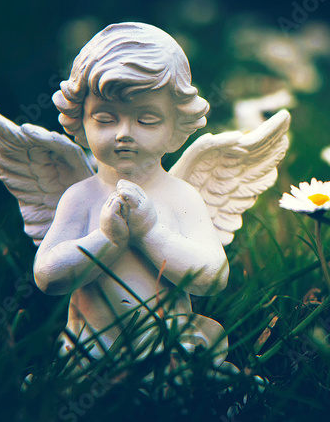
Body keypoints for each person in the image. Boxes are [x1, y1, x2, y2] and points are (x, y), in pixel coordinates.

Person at [37, 22, 231, 375]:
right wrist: (107, 240)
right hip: (93, 348)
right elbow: (49, 276)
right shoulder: (80, 197)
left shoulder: (180, 196)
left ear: (176, 126)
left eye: (147, 119)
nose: (124, 133)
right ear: (80, 121)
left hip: (169, 345)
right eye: (106, 118)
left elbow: (213, 277)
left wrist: (150, 232)